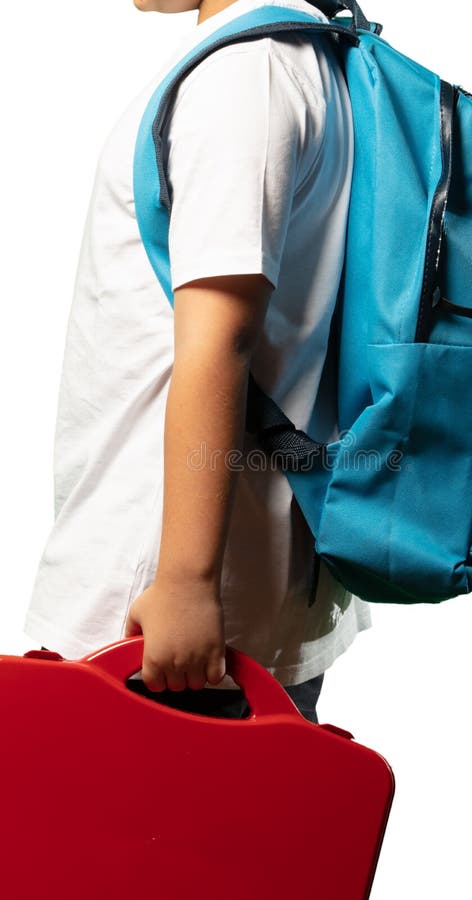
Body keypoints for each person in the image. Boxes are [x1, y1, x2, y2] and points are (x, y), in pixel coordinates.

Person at [26, 0, 373, 725]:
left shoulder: (246, 74)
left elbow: (223, 336)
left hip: (170, 615)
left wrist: (186, 582)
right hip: (230, 585)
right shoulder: (310, 54)